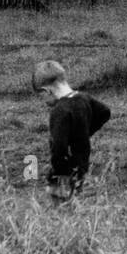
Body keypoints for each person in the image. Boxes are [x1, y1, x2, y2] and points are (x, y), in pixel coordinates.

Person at [32, 60, 111, 204]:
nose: (43, 102)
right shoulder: (84, 98)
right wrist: (85, 134)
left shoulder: (60, 111)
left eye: (41, 97)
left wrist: (56, 172)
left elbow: (59, 146)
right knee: (76, 200)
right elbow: (105, 112)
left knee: (60, 208)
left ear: (47, 90)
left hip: (63, 172)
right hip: (81, 165)